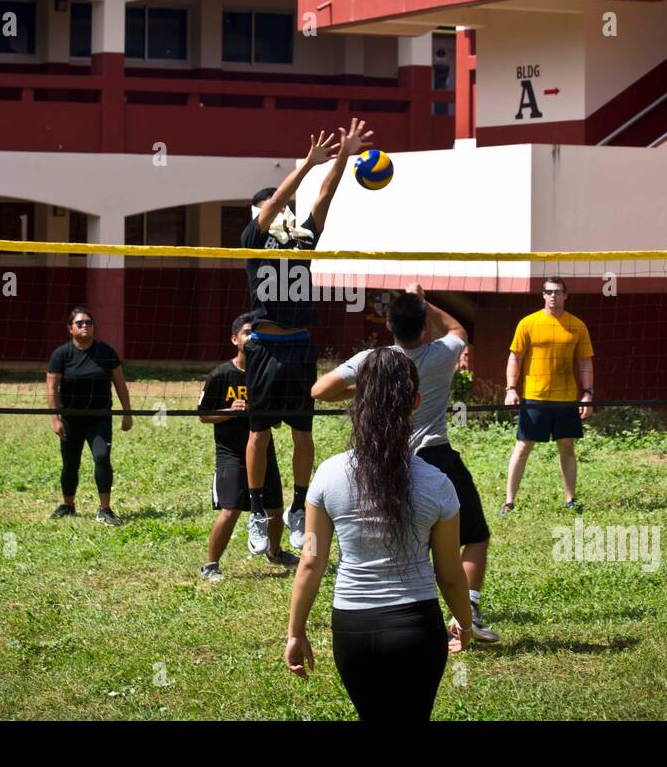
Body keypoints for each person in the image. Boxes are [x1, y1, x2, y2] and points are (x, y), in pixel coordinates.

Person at [285, 348, 474, 720]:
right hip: (417, 629)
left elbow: (310, 561)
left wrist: (295, 632)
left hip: (352, 631)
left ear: (358, 398)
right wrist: (466, 623)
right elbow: (450, 574)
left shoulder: (326, 475)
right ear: (416, 402)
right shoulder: (438, 485)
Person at [314, 285, 499, 641]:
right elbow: (459, 330)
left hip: (382, 457)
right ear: (425, 327)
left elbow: (319, 391)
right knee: (475, 537)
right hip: (434, 456)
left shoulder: (373, 359)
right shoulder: (442, 353)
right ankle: (468, 613)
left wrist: (368, 388)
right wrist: (426, 302)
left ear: (388, 325)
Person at [240, 118, 372, 566]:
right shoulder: (253, 241)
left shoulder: (304, 241)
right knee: (258, 433)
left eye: (283, 212)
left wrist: (341, 156)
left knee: (303, 432)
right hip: (264, 347)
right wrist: (307, 163)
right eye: (272, 210)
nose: (281, 213)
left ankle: (298, 507)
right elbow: (278, 199)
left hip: (299, 347)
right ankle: (256, 510)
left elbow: (325, 195)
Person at [198, 312, 284, 580]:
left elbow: (278, 417)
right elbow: (203, 415)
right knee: (231, 509)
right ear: (235, 339)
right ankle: (210, 565)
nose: (251, 337)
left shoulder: (269, 372)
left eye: (256, 333)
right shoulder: (221, 375)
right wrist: (229, 410)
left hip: (262, 449)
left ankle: (275, 552)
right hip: (232, 453)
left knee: (275, 508)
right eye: (247, 332)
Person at [502, 276, 595, 514]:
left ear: (566, 295)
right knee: (523, 447)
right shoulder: (528, 323)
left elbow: (585, 361)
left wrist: (588, 394)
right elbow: (516, 357)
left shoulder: (577, 325)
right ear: (543, 295)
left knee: (567, 448)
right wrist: (511, 389)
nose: (553, 296)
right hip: (535, 396)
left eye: (558, 292)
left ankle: (570, 500)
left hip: (566, 398)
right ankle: (509, 502)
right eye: (549, 291)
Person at [45, 307, 132, 525]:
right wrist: (55, 419)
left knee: (102, 457)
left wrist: (127, 412)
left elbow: (120, 384)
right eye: (80, 323)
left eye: (89, 323)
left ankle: (105, 509)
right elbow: (51, 388)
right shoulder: (61, 355)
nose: (85, 326)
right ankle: (68, 505)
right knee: (70, 463)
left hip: (99, 417)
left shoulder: (106, 352)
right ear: (70, 328)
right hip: (71, 418)